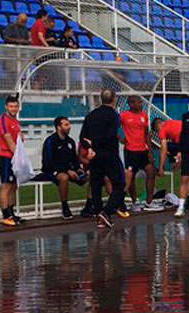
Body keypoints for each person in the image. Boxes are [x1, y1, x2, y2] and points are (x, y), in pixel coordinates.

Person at [81, 89, 129, 227]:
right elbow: (110, 135)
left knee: (96, 185)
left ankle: (98, 216)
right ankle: (106, 212)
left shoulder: (91, 115)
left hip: (94, 155)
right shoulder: (114, 115)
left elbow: (83, 137)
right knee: (119, 184)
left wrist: (90, 148)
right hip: (109, 154)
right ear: (114, 99)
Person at [40, 115, 86, 219]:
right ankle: (65, 207)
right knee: (64, 177)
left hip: (69, 170)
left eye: (69, 124)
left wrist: (78, 169)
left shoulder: (70, 141)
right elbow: (49, 162)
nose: (69, 127)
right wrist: (66, 171)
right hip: (52, 170)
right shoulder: (50, 141)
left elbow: (74, 159)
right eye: (66, 125)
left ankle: (90, 205)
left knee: (91, 174)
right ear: (58, 127)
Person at [121, 96, 157, 210]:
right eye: (139, 102)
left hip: (143, 150)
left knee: (151, 172)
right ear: (131, 104)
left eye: (141, 102)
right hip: (130, 151)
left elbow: (146, 134)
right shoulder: (124, 116)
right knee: (131, 177)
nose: (141, 104)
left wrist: (150, 151)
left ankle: (149, 202)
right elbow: (113, 128)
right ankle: (134, 202)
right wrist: (120, 139)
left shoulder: (144, 115)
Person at [0, 95, 25, 227]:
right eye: (11, 106)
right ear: (6, 107)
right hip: (6, 157)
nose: (13, 109)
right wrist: (18, 156)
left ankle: (12, 213)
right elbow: (8, 140)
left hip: (14, 157)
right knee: (6, 186)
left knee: (14, 186)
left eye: (16, 106)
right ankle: (5, 215)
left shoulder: (16, 122)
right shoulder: (3, 120)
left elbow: (18, 139)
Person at [154, 115, 182, 182]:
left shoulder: (162, 130)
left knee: (166, 147)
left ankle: (177, 163)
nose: (158, 133)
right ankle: (176, 162)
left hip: (186, 142)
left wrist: (161, 167)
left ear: (158, 126)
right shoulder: (171, 123)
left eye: (157, 131)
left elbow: (163, 150)